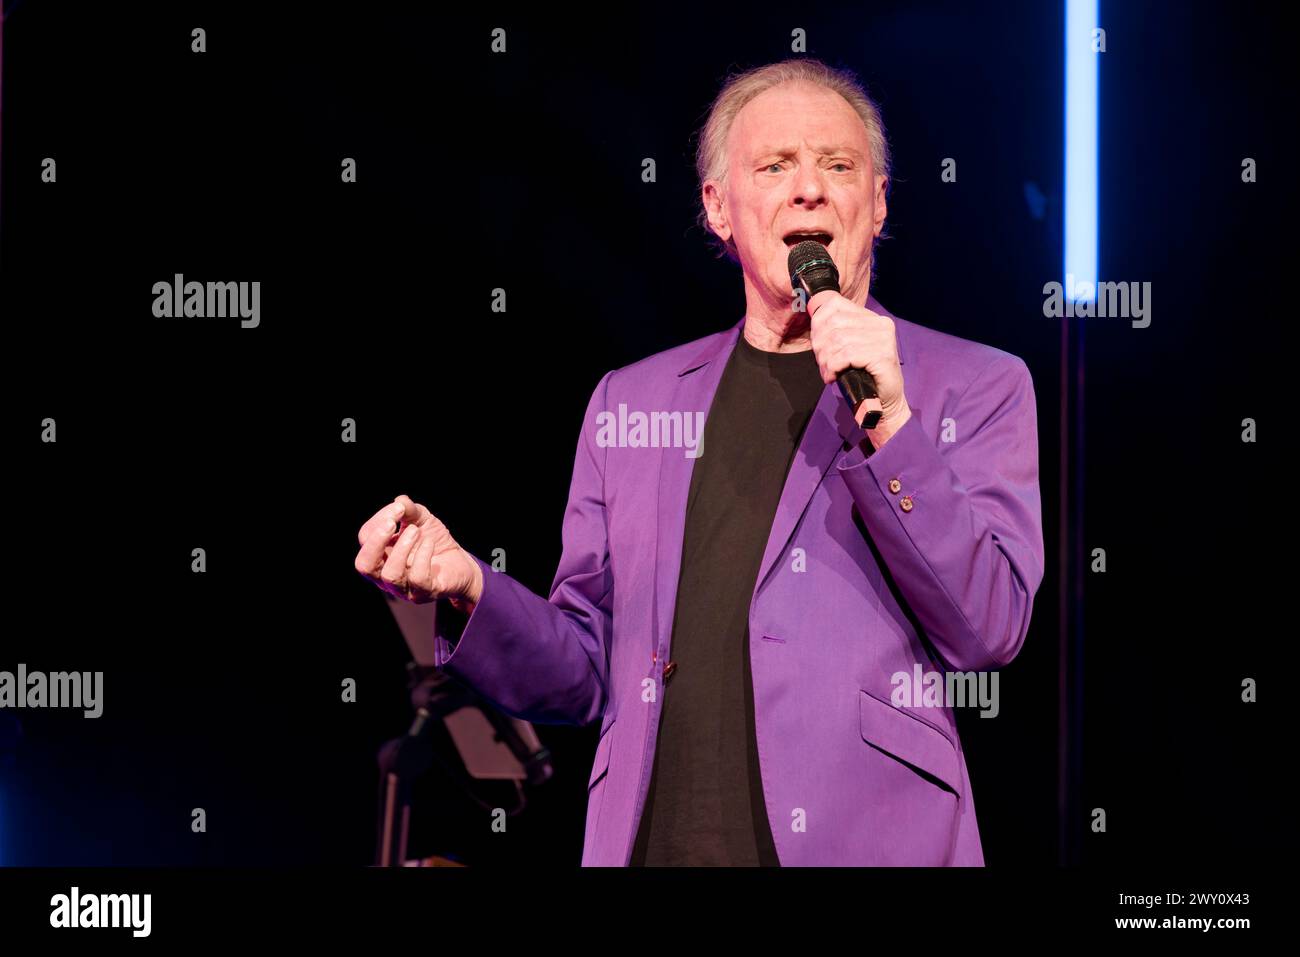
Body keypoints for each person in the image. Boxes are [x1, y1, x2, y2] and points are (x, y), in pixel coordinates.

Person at [354, 58, 1043, 866]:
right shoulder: (630, 402)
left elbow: (989, 626)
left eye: (838, 165)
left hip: (864, 842)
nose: (810, 188)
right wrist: (471, 586)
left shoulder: (974, 384)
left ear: (879, 201)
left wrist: (892, 423)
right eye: (775, 165)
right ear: (719, 208)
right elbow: (581, 670)